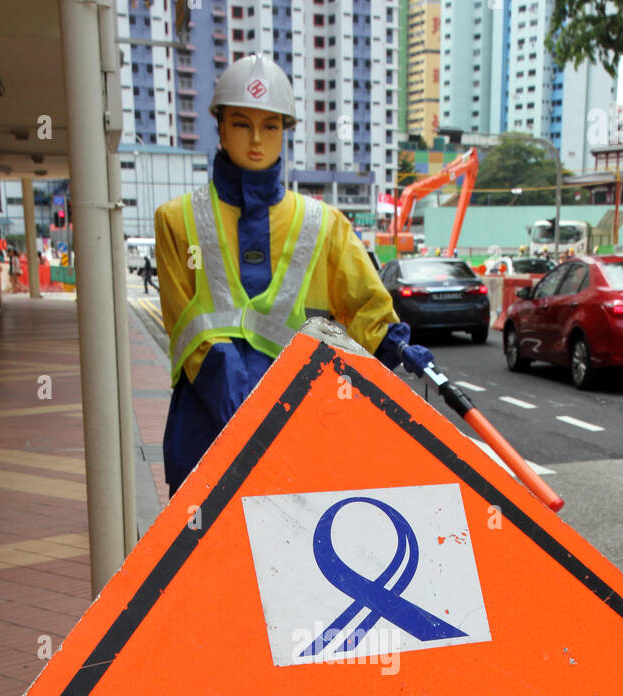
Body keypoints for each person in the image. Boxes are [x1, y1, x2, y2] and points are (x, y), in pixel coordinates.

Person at [155, 55, 435, 498]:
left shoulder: (323, 225)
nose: (256, 140)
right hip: (207, 429)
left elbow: (363, 303)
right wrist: (241, 400)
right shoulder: (177, 220)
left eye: (270, 127)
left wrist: (393, 342)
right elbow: (188, 328)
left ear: (284, 133)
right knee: (211, 561)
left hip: (300, 422)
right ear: (221, 127)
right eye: (242, 124)